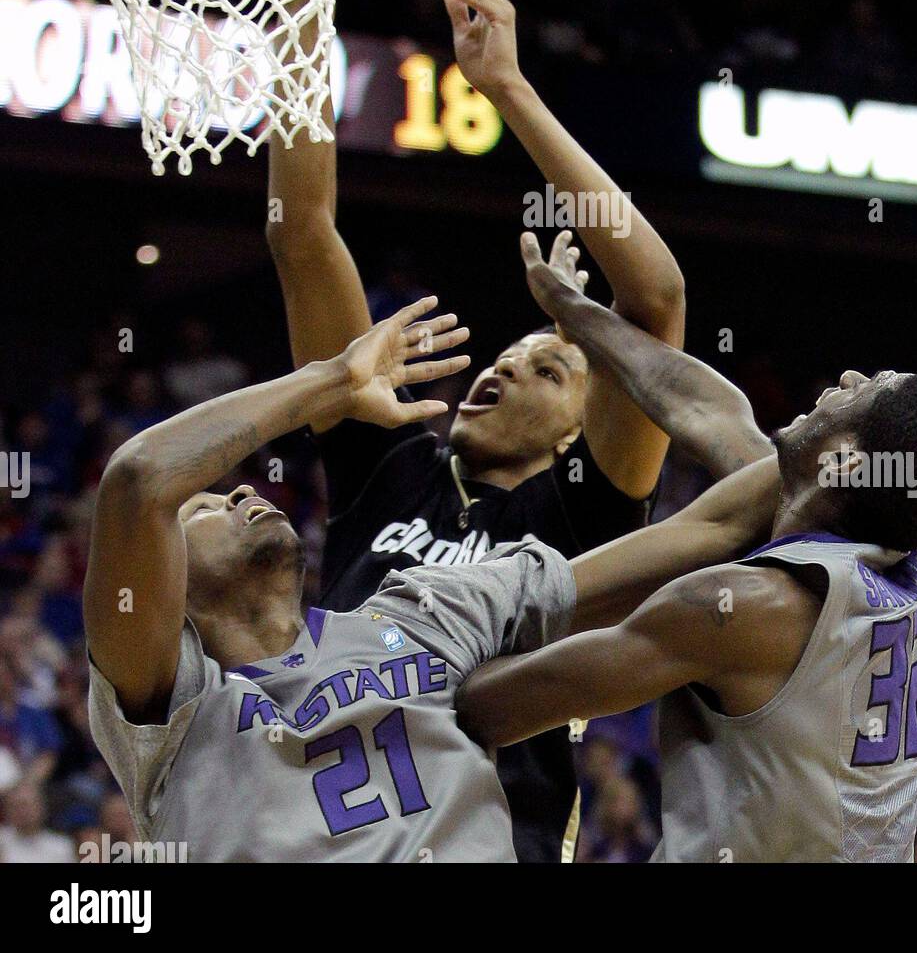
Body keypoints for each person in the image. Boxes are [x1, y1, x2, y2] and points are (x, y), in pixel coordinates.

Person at [260, 0, 686, 861]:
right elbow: (305, 235)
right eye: (512, 352)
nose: (507, 362)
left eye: (547, 368)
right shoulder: (386, 463)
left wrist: (508, 88)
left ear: (582, 433)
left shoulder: (584, 512)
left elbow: (658, 298)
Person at [83, 292, 806, 862]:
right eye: (206, 505)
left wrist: (860, 439)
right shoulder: (168, 700)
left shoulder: (417, 613)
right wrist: (330, 381)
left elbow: (703, 530)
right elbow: (141, 480)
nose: (243, 494)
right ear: (165, 585)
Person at [456, 236, 917, 862]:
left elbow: (482, 707)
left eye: (863, 387)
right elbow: (705, 412)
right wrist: (572, 312)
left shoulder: (742, 610)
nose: (847, 374)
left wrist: (413, 624)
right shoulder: (875, 548)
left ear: (845, 462)